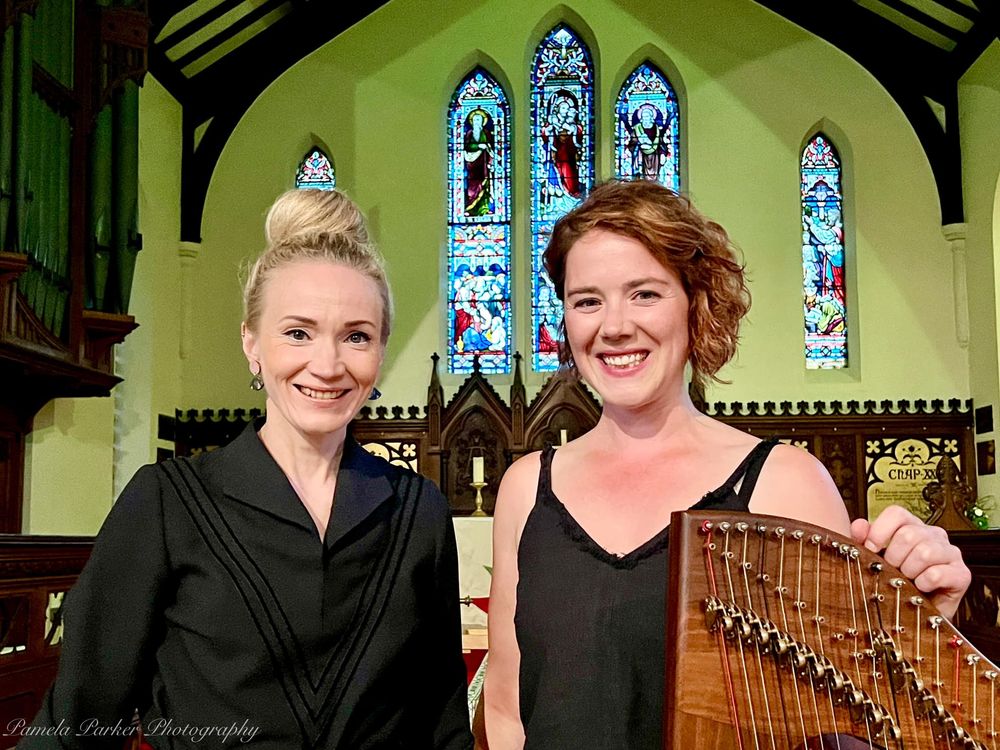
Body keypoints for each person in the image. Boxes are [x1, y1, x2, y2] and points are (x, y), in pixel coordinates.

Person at [483, 180, 971, 749]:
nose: (613, 325)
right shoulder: (526, 488)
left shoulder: (782, 482)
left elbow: (859, 716)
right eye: (586, 300)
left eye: (645, 293)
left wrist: (930, 625)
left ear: (697, 304)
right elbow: (508, 703)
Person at [24, 189, 473, 749]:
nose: (328, 365)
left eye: (356, 336)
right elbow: (79, 722)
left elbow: (442, 722)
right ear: (251, 343)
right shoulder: (168, 502)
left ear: (380, 351)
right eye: (297, 332)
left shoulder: (416, 511)